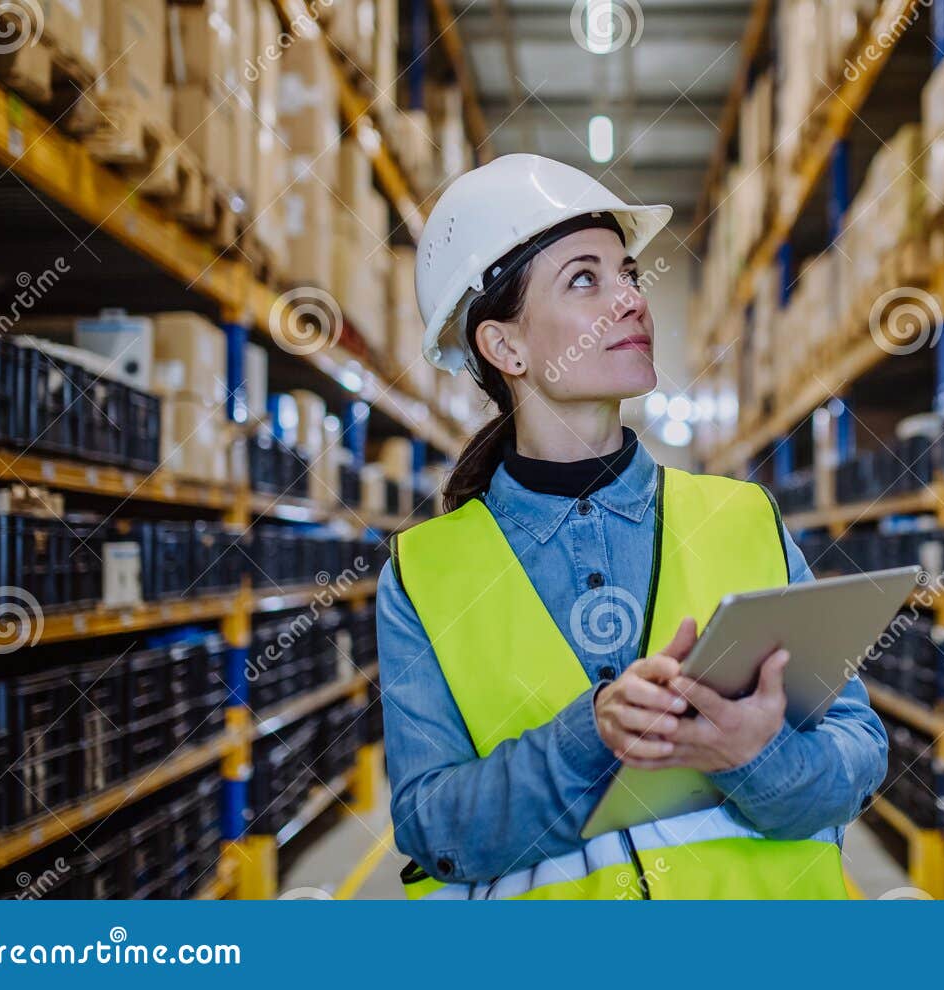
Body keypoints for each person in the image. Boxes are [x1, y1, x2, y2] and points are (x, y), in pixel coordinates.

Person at [376, 154, 889, 899]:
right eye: (586, 280)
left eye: (628, 275)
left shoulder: (742, 518)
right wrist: (592, 736)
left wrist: (758, 759)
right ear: (504, 347)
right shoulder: (425, 574)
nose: (631, 302)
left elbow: (857, 757)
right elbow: (433, 828)